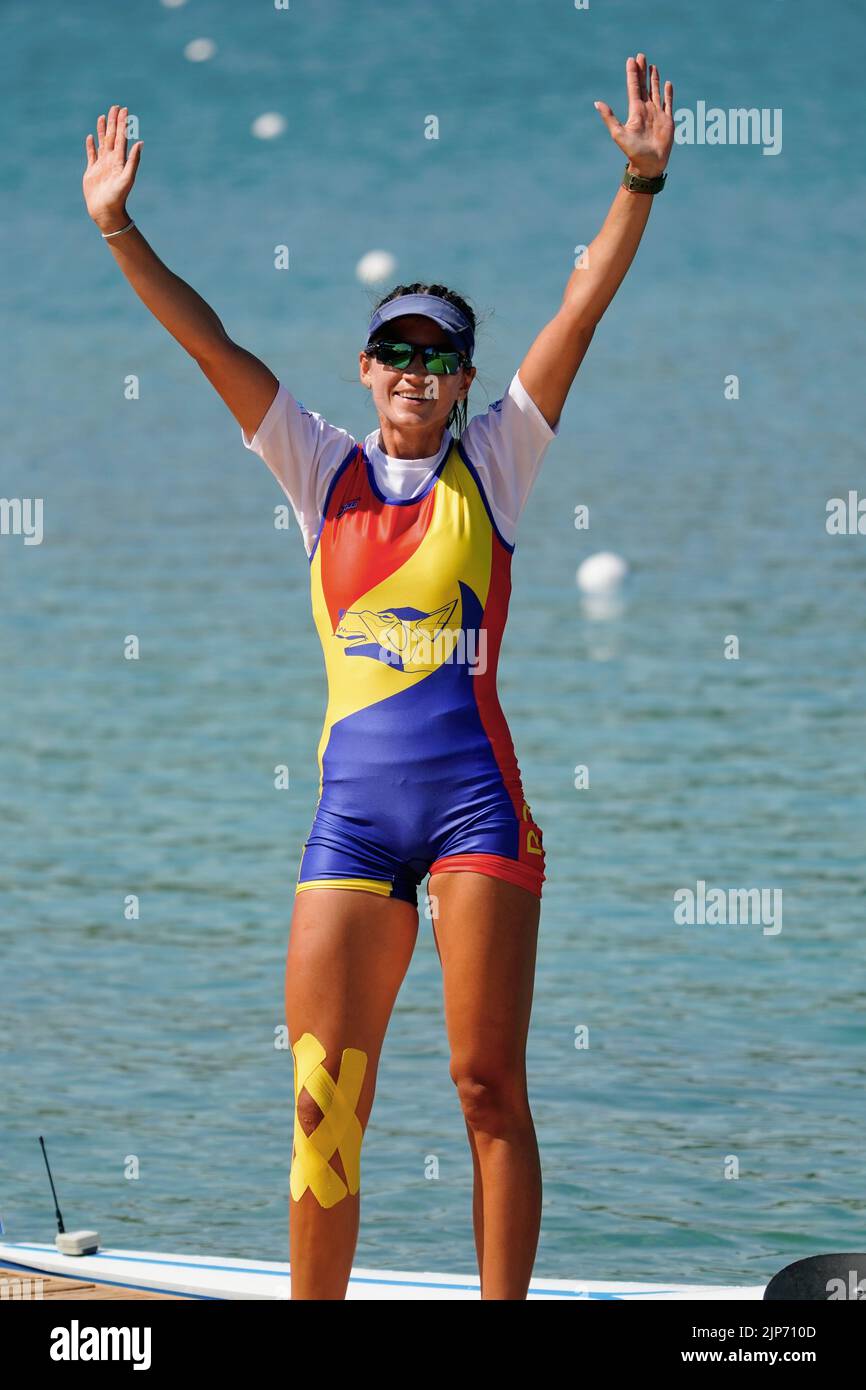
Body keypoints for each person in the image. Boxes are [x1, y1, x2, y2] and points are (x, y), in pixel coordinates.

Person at [82, 53, 674, 1300]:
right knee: (321, 1097)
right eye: (393, 350)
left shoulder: (498, 462)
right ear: (364, 369)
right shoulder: (316, 466)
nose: (414, 370)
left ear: (464, 379)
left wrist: (635, 183)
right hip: (350, 818)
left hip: (475, 814)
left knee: (484, 1085)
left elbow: (579, 312)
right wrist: (121, 228)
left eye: (437, 355)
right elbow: (206, 340)